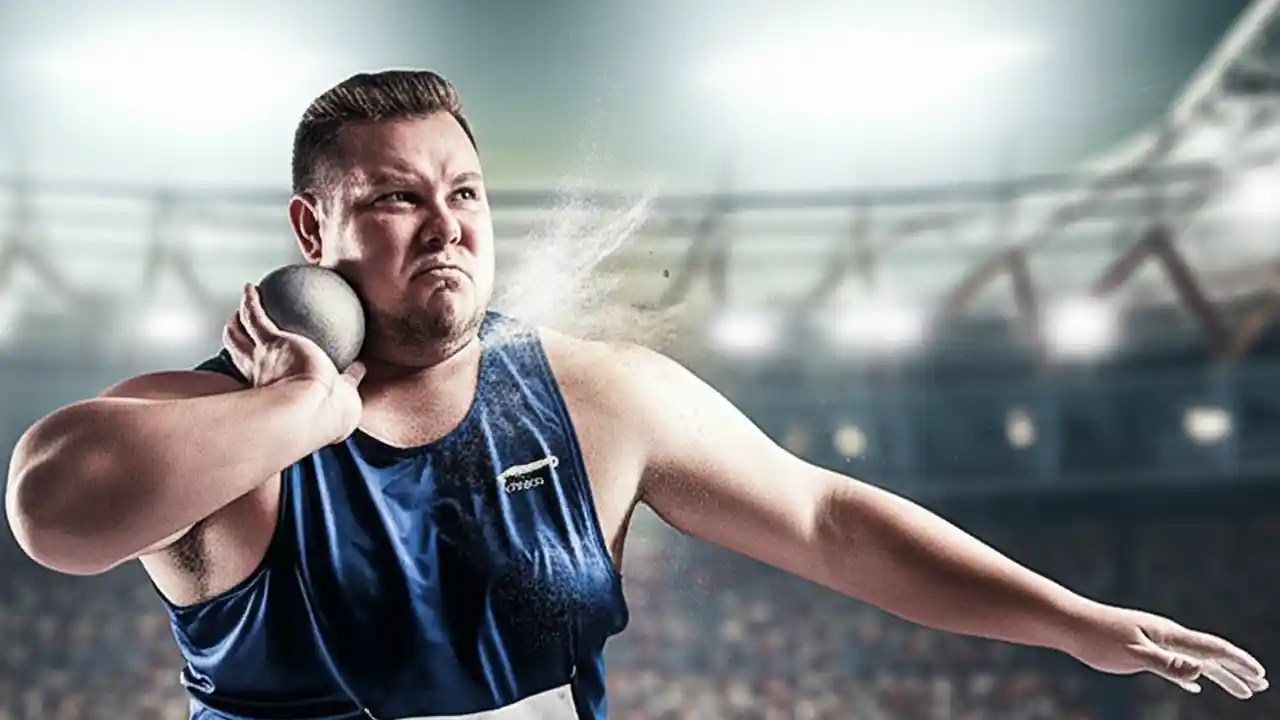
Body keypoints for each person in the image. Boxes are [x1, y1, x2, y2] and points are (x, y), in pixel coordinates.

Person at [4, 70, 1268, 720]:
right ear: (310, 225)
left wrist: (1068, 621)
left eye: (466, 194)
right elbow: (52, 509)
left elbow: (825, 519)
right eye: (395, 198)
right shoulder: (222, 428)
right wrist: (300, 413)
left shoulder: (594, 397)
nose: (444, 227)